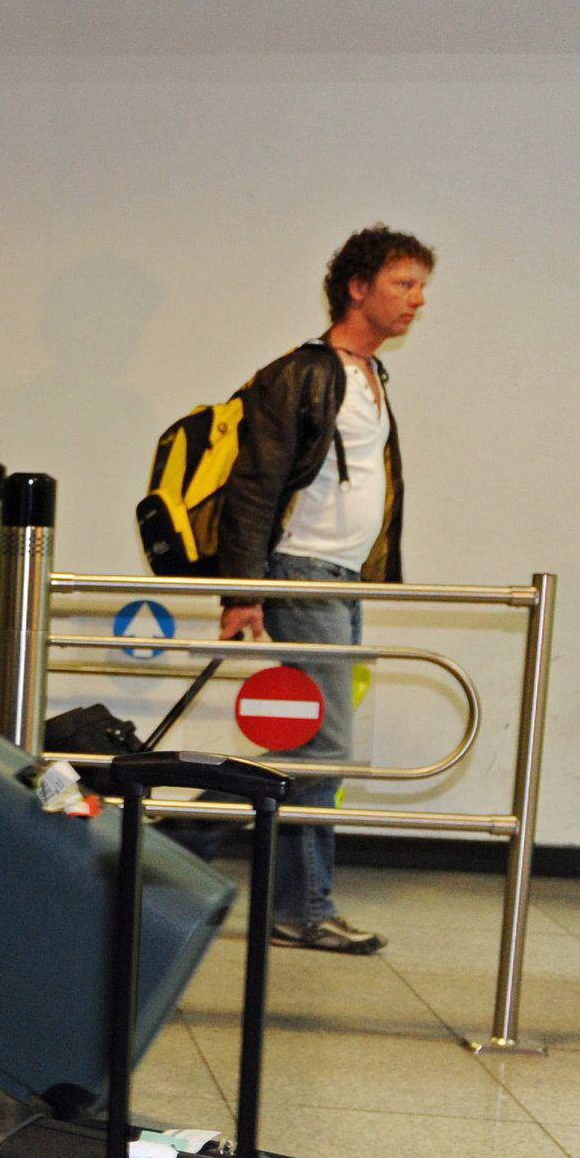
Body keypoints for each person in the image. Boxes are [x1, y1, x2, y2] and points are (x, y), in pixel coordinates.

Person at [215, 225, 427, 957]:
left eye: (421, 286)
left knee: (307, 742)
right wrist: (243, 592)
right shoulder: (300, 373)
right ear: (357, 287)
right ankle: (303, 907)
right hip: (301, 573)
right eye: (404, 283)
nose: (418, 299)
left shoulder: (370, 376)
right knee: (322, 744)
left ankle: (276, 889)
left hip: (341, 580)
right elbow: (255, 484)